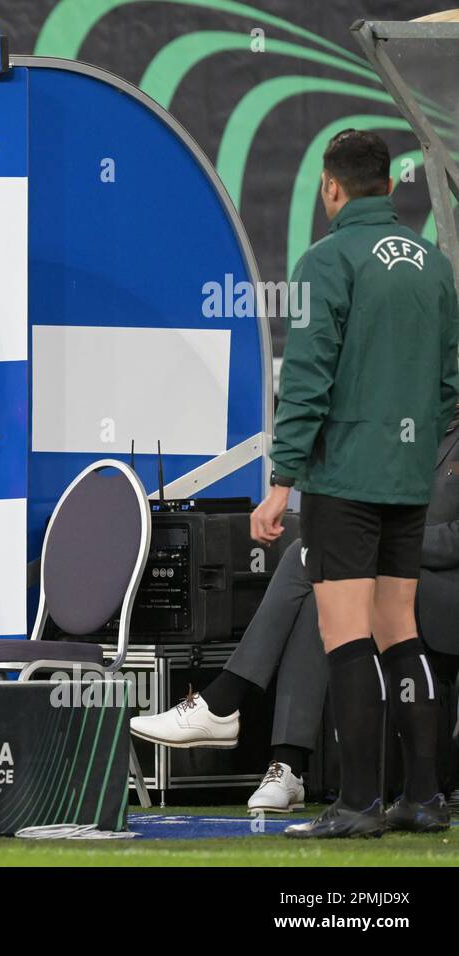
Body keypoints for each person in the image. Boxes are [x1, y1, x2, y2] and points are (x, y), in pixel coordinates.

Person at [250, 130, 459, 838]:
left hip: (345, 477)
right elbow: (451, 384)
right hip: (407, 482)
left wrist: (282, 482)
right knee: (401, 631)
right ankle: (425, 799)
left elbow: (304, 380)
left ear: (332, 188)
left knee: (346, 636)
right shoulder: (434, 266)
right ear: (390, 186)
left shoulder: (324, 261)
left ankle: (359, 805)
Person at [131, 412, 459, 811]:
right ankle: (285, 767)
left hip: (441, 591)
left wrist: (384, 544)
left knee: (310, 561)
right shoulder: (408, 433)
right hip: (385, 577)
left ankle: (226, 704)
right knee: (317, 579)